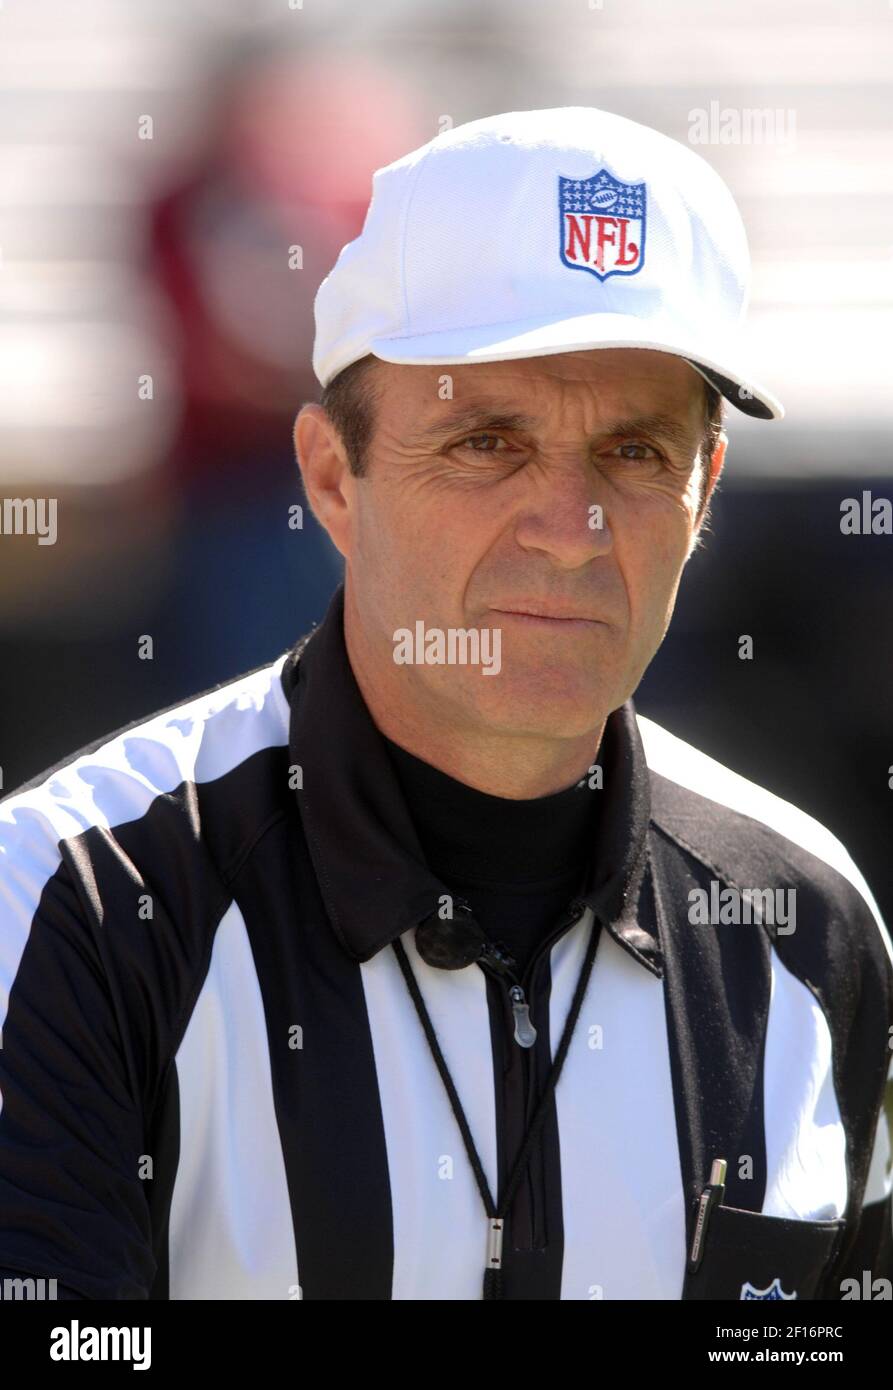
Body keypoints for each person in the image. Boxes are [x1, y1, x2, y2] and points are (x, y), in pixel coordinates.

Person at [0, 107, 890, 1302]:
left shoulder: (808, 927)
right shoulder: (76, 901)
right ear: (332, 477)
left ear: (705, 489)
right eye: (485, 442)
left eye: (632, 453)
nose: (569, 535)